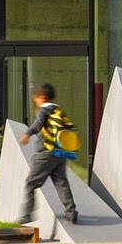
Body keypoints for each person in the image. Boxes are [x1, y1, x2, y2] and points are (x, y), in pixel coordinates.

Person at [18, 83, 78, 224]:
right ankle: (71, 212)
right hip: (60, 153)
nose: (35, 101)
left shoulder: (43, 110)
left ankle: (26, 214)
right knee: (61, 183)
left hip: (45, 153)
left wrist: (27, 134)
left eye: (36, 98)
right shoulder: (59, 111)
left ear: (42, 97)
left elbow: (38, 124)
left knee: (31, 183)